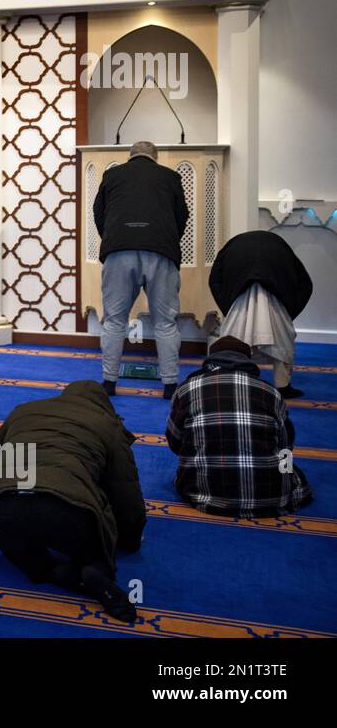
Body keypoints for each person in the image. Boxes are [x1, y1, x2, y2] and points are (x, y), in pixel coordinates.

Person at [0, 380, 146, 623]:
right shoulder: (107, 423)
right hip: (66, 507)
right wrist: (129, 540)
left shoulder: (24, 409)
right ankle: (93, 570)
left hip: (0, 508)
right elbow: (125, 490)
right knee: (93, 551)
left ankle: (52, 571)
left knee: (28, 556)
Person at [166, 336, 312, 517]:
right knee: (293, 471)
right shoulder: (271, 392)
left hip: (203, 494)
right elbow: (286, 447)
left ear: (210, 358)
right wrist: (287, 476)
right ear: (248, 360)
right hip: (270, 496)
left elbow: (175, 443)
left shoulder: (186, 389)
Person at [93, 140, 188, 398]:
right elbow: (183, 216)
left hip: (119, 251)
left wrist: (114, 238)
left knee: (114, 320)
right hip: (161, 252)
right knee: (166, 323)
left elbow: (98, 213)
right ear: (154, 157)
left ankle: (109, 382)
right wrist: (165, 240)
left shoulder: (112, 175)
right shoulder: (171, 177)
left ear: (131, 156)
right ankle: (170, 385)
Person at [209, 230, 312, 399]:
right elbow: (305, 284)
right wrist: (287, 312)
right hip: (276, 279)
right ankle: (283, 385)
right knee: (281, 337)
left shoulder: (231, 247)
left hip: (239, 279)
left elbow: (214, 280)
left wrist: (229, 305)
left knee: (235, 335)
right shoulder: (280, 246)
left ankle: (232, 380)